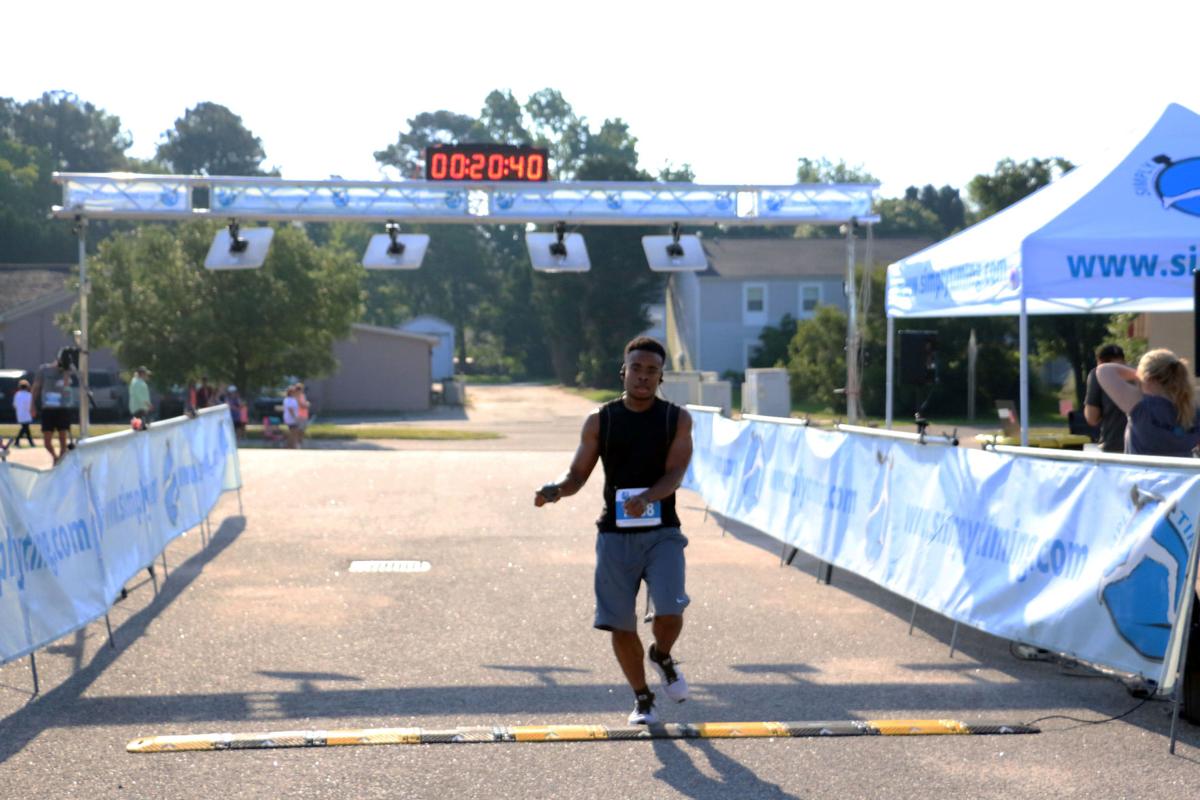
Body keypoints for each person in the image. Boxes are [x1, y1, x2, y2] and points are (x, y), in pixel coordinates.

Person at [533, 336, 694, 725]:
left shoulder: (676, 418)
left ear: (661, 378)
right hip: (614, 536)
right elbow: (576, 474)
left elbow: (675, 473)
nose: (642, 376)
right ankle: (642, 698)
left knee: (670, 610)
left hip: (663, 532)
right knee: (620, 624)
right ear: (623, 371)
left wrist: (648, 497)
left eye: (651, 371)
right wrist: (555, 491)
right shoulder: (600, 420)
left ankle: (661, 655)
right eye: (636, 368)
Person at [1096, 348, 1200, 456]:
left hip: (1143, 472)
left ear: (1146, 377)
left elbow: (1103, 370)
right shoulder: (1193, 411)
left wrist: (1139, 374)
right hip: (1181, 472)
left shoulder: (1141, 406)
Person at [31, 348, 80, 465]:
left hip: (62, 409)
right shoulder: (44, 370)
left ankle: (60, 461)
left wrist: (66, 375)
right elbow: (35, 388)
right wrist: (32, 405)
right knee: (47, 442)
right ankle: (54, 457)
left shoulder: (66, 372)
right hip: (48, 409)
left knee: (63, 439)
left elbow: (67, 392)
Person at [1084, 344, 1128, 453]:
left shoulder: (1097, 374)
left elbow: (1091, 417)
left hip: (1113, 445)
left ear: (1100, 362)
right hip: (1142, 447)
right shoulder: (1139, 374)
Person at [11, 379, 35, 448]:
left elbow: (14, 405)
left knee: (26, 428)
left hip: (20, 414)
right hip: (27, 414)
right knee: (25, 428)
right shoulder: (29, 395)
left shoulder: (17, 394)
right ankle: (17, 441)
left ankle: (31, 443)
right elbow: (31, 405)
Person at [282, 384, 301, 449]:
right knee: (293, 432)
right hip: (291, 418)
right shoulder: (288, 399)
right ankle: (290, 445)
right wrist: (295, 417)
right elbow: (290, 410)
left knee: (294, 432)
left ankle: (292, 445)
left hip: (293, 417)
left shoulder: (293, 399)